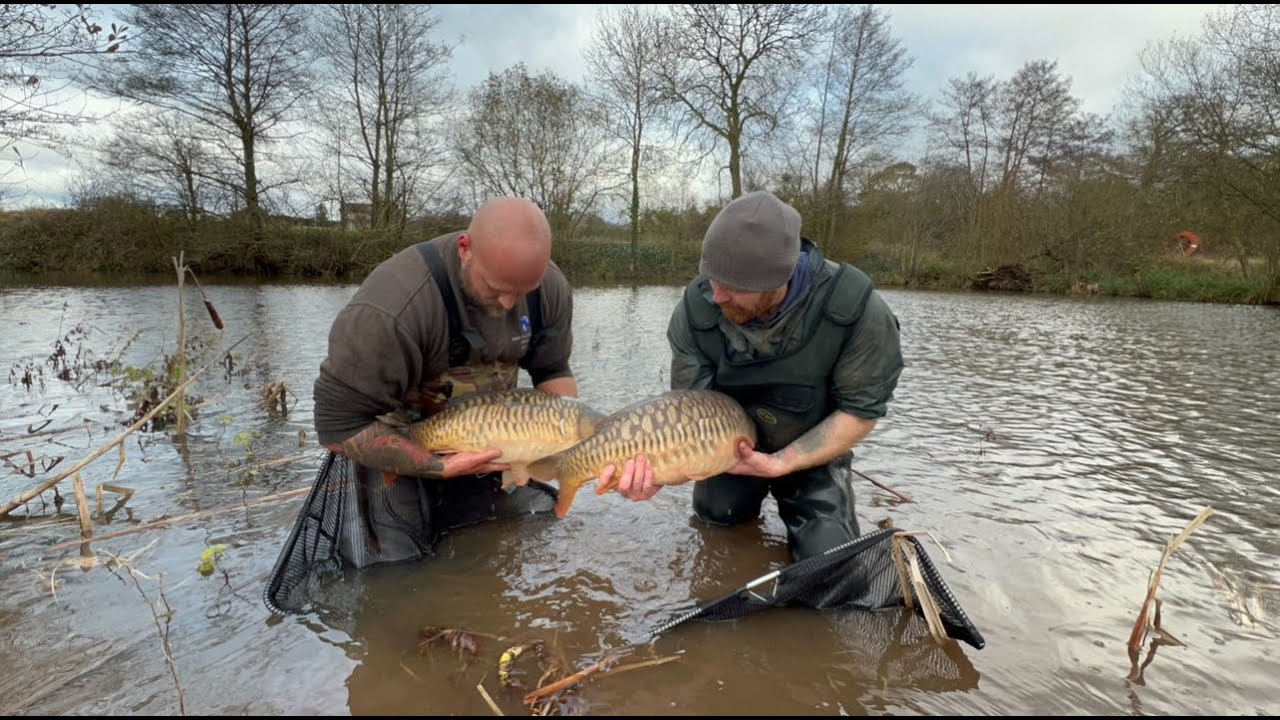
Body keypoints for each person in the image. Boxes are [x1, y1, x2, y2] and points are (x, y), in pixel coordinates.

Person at [601, 190, 904, 562]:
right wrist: (657, 473)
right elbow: (686, 418)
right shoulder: (697, 310)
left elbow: (860, 412)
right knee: (715, 524)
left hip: (815, 448)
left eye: (732, 286)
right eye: (711, 278)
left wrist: (781, 463)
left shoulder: (856, 310)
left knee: (830, 559)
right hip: (727, 449)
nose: (717, 295)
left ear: (780, 280)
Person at [309, 196, 578, 570]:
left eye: (522, 292)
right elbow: (338, 429)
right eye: (496, 286)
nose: (507, 303)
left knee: (482, 557)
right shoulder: (392, 309)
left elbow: (552, 372)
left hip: (487, 445)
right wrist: (439, 467)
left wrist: (568, 446)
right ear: (465, 249)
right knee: (397, 569)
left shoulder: (549, 287)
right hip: (393, 443)